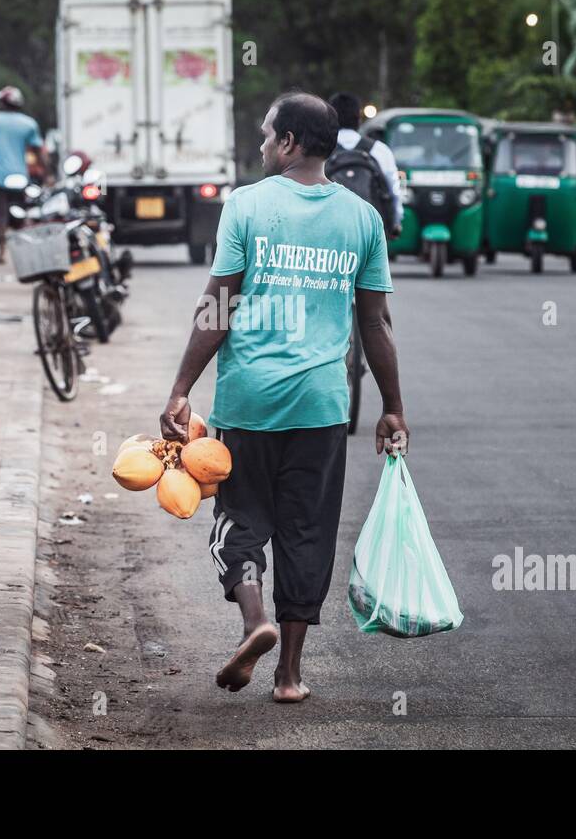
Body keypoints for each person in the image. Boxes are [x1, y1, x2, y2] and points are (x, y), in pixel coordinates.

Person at [158, 92, 409, 703]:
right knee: (308, 532)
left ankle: (254, 621)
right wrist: (392, 407)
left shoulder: (246, 205)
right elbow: (374, 324)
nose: (263, 145)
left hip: (248, 404)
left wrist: (181, 389)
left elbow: (219, 304)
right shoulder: (362, 219)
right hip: (322, 406)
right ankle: (290, 674)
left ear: (291, 142)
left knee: (240, 522)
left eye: (269, 135)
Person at [0, 85, 48, 264]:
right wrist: (46, 172)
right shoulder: (29, 123)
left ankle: (2, 251)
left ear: (3, 102)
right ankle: (23, 252)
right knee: (21, 212)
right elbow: (38, 151)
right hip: (20, 175)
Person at [327, 92, 402, 236]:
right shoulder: (379, 150)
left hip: (331, 231)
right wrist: (395, 223)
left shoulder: (322, 149)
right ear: (358, 118)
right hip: (370, 231)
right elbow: (393, 190)